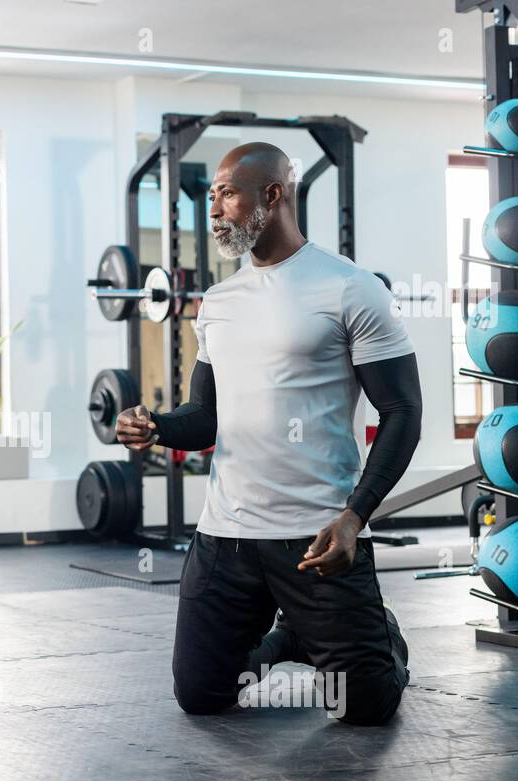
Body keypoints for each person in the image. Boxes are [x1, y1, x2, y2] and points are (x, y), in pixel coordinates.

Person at [116, 143, 422, 726]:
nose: (215, 209)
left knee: (366, 707)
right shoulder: (220, 302)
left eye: (227, 193)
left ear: (273, 195)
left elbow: (403, 410)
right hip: (225, 534)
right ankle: (290, 639)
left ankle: (376, 633)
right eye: (212, 197)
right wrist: (155, 426)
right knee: (202, 696)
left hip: (316, 535)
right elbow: (203, 417)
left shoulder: (350, 288)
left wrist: (355, 516)